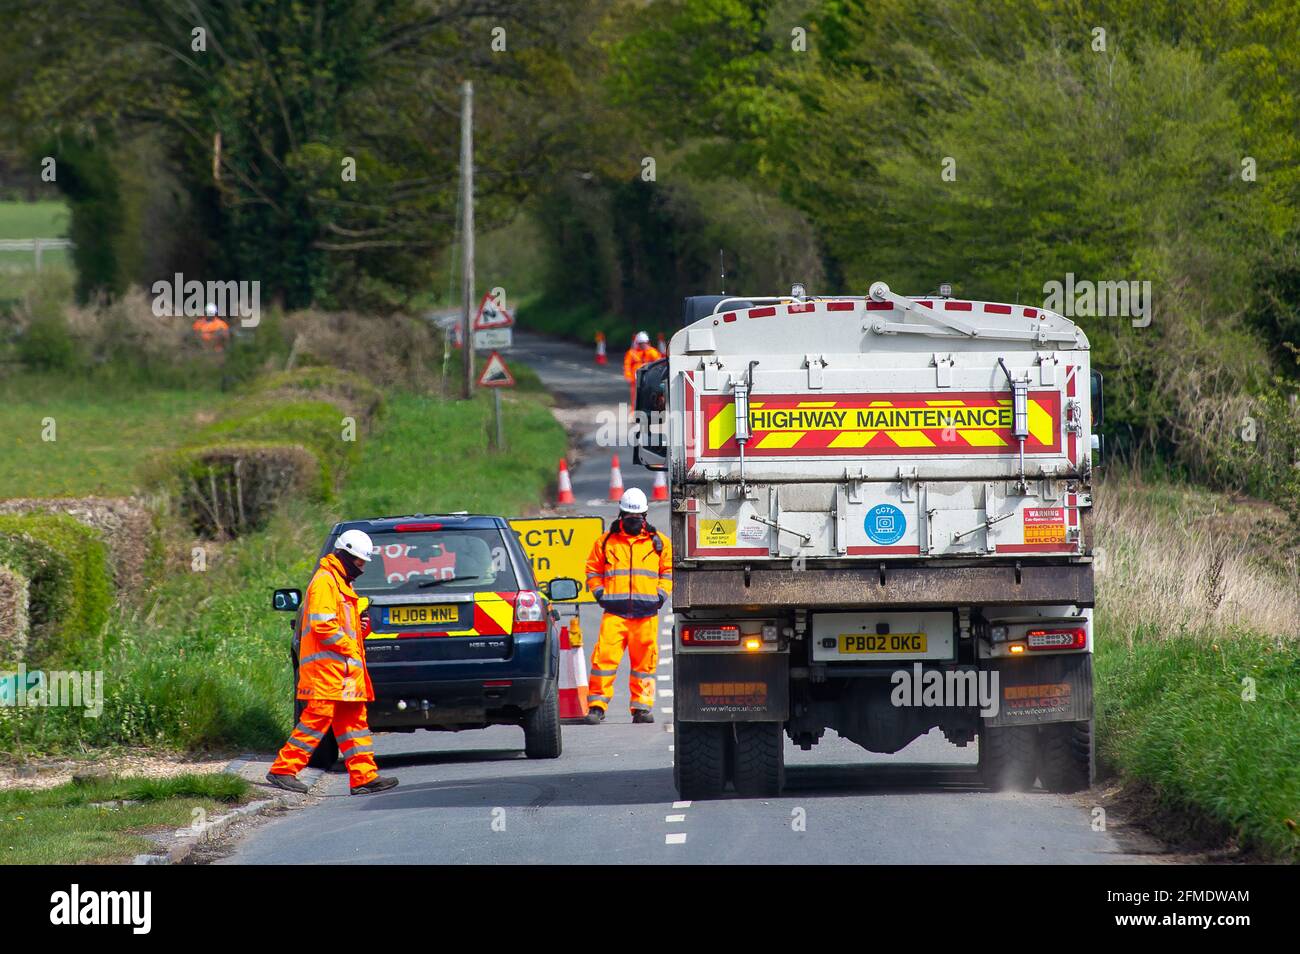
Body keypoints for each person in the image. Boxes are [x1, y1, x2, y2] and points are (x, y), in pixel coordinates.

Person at [266, 529, 399, 795]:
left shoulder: (342, 583)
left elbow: (343, 628)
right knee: (317, 719)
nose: (361, 567)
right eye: (360, 562)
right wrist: (350, 645)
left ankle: (363, 777)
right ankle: (283, 770)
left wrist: (361, 630)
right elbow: (323, 625)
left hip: (343, 672)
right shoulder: (325, 581)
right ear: (346, 556)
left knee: (353, 722)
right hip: (326, 672)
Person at [584, 488, 672, 724]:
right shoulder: (605, 542)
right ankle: (597, 706)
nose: (635, 521)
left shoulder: (659, 543)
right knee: (604, 659)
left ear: (645, 516)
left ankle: (642, 708)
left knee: (644, 664)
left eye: (639, 517)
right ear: (621, 515)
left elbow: (669, 571)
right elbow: (592, 570)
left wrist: (660, 596)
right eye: (630, 517)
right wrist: (600, 594)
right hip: (615, 613)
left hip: (646, 615)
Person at [623, 331, 662, 414]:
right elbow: (627, 364)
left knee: (651, 395)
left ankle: (651, 412)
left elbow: (658, 362)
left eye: (645, 343)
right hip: (635, 379)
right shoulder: (632, 353)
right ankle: (634, 412)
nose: (643, 345)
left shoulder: (652, 351)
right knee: (635, 397)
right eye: (641, 343)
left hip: (649, 379)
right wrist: (628, 376)